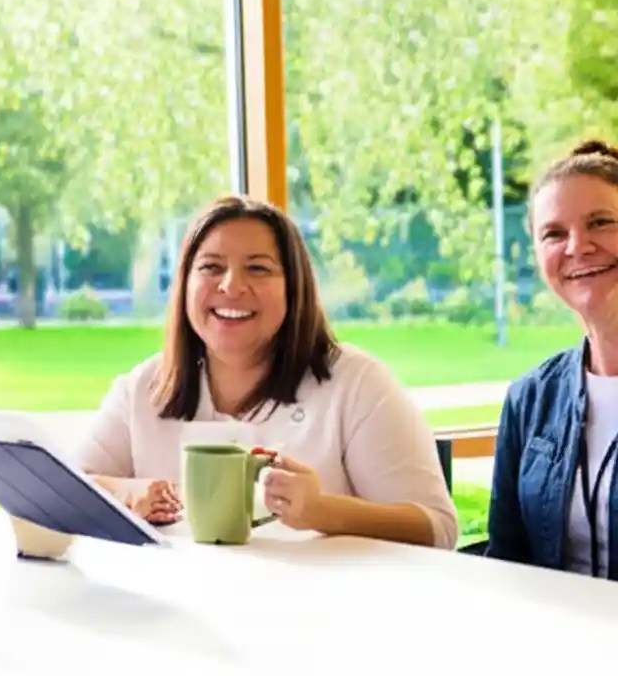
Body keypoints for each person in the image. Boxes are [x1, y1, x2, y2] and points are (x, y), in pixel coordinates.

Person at [78, 196, 458, 548]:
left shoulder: (357, 384)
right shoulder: (143, 388)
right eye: (211, 267)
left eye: (258, 268)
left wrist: (319, 510)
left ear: (294, 289)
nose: (231, 286)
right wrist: (128, 494)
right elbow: (62, 490)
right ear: (184, 284)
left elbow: (436, 529)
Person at [486, 139, 618, 579]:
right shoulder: (530, 399)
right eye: (554, 234)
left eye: (601, 223)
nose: (578, 247)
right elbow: (507, 559)